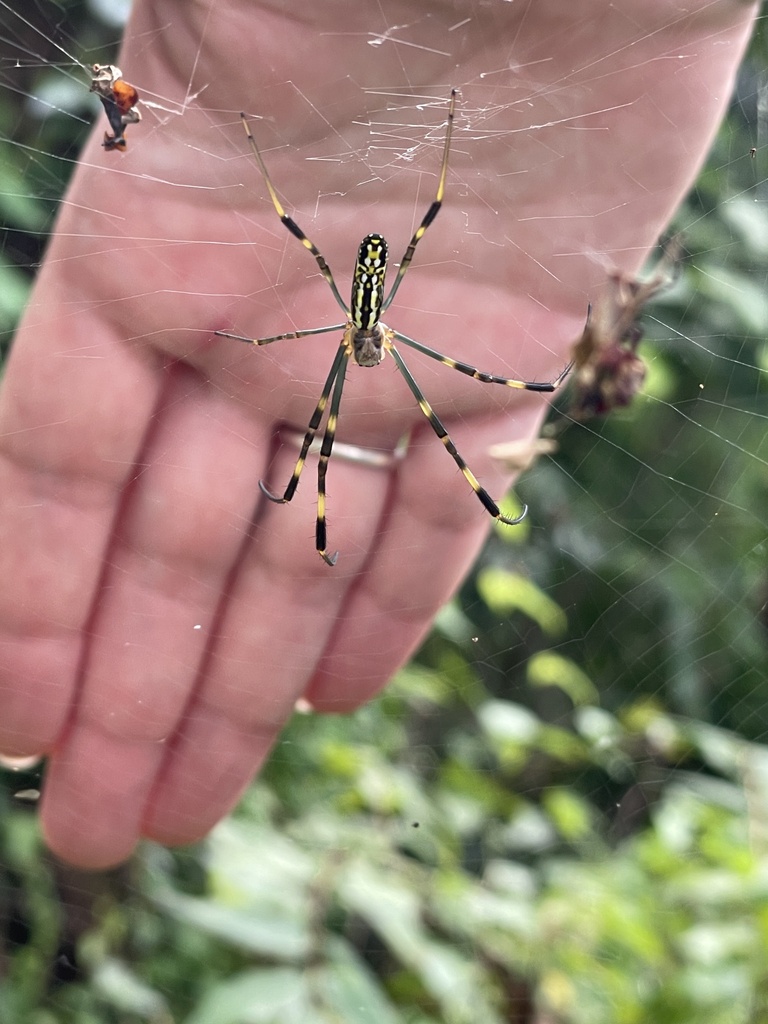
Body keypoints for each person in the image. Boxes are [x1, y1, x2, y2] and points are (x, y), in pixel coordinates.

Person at [0, 0, 758, 868]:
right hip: (356, 284)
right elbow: (316, 304)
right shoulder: (361, 329)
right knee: (338, 429)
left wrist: (503, 384)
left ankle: (437, 501)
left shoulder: (372, 322)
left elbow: (451, 331)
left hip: (371, 278)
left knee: (433, 401)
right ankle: (333, 510)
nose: (364, 355)